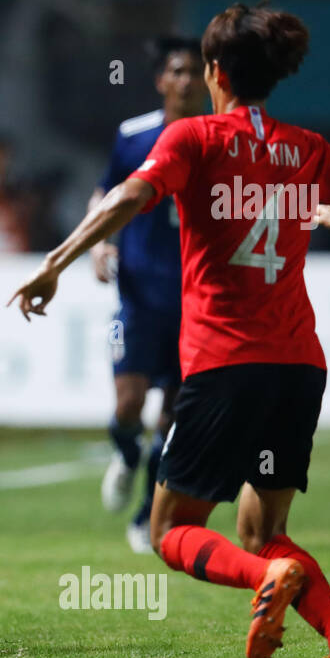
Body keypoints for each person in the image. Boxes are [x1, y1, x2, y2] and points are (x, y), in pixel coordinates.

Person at [8, 3, 330, 658]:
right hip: (298, 368)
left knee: (169, 531)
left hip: (226, 365)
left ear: (215, 72)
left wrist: (54, 263)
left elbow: (129, 199)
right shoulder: (307, 149)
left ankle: (262, 583)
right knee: (265, 531)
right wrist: (328, 209)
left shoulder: (194, 139)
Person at [89, 37, 207, 553]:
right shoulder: (134, 137)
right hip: (138, 296)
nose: (187, 80)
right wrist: (98, 244)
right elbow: (107, 192)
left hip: (196, 303)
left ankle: (144, 516)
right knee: (128, 405)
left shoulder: (216, 140)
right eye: (178, 71)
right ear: (161, 80)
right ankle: (127, 455)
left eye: (196, 71)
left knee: (174, 418)